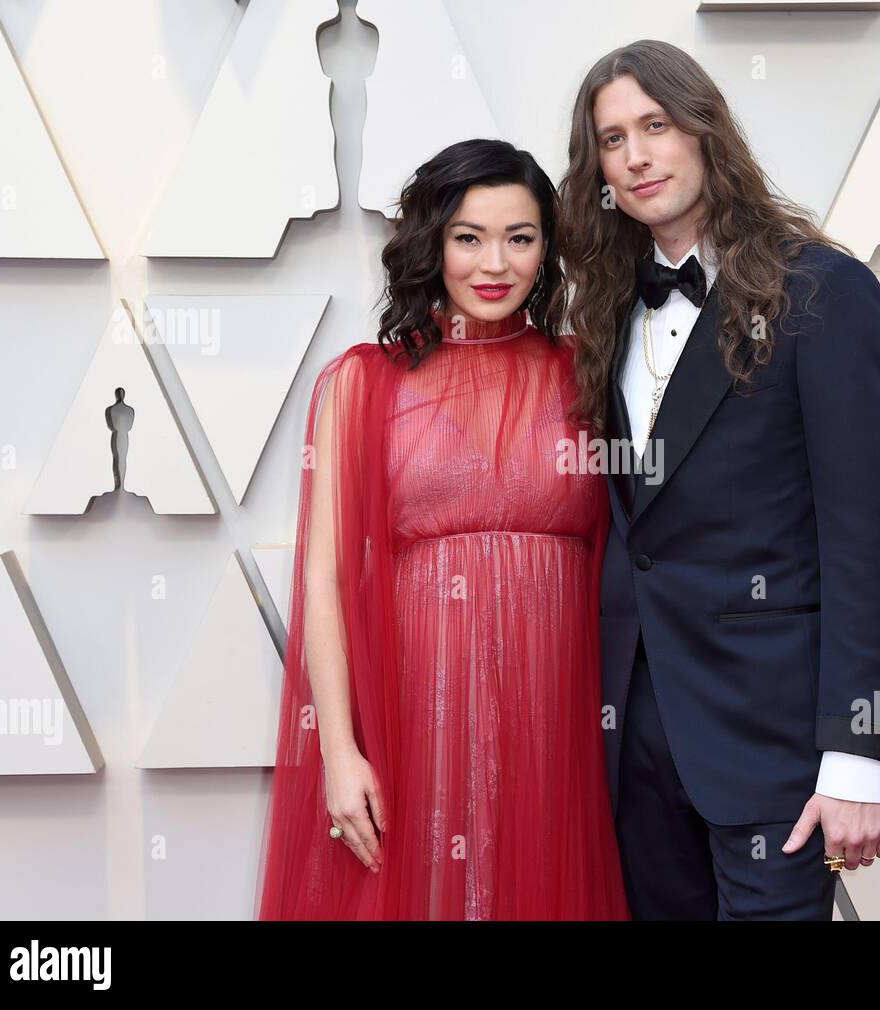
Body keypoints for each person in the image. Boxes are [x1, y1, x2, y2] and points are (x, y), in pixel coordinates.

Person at [557, 40, 880, 920]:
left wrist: (859, 754)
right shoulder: (604, 308)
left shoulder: (822, 293)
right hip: (634, 741)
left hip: (771, 743)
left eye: (656, 125)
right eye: (611, 140)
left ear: (706, 131)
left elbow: (866, 536)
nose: (635, 156)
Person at [255, 139, 630, 920]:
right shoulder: (362, 382)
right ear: (433, 245)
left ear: (547, 249)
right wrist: (338, 749)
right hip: (411, 722)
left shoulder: (589, 373)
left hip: (556, 726)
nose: (495, 262)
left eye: (520, 238)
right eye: (469, 237)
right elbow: (322, 578)